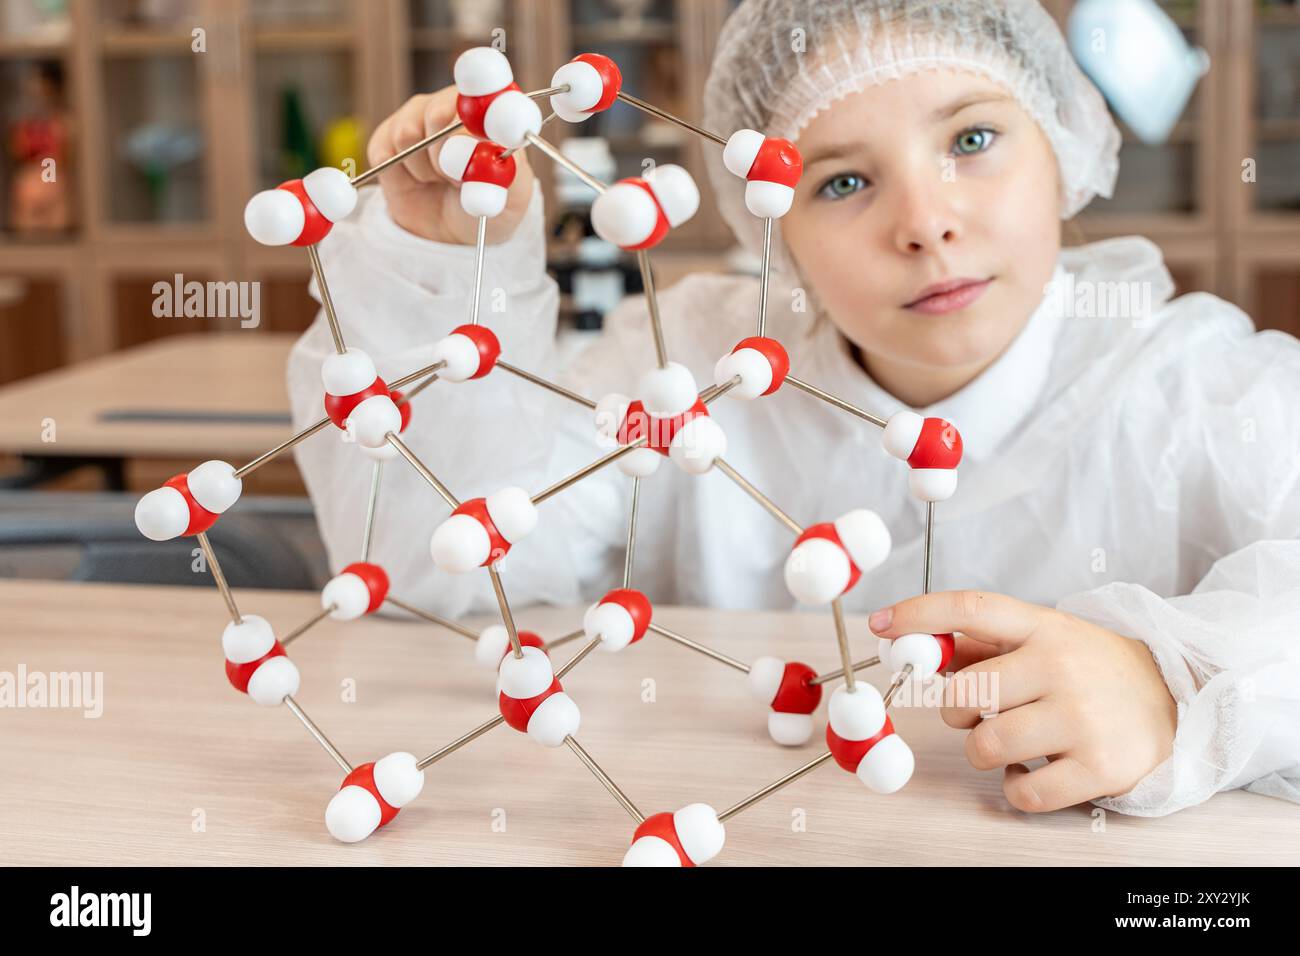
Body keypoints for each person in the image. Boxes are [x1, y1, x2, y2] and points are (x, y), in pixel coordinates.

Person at [287, 0, 1300, 818]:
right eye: (844, 180)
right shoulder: (691, 369)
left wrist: (1180, 688)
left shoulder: (1193, 386)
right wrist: (436, 263)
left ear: (1064, 147)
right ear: (771, 227)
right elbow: (445, 563)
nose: (925, 221)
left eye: (973, 137)